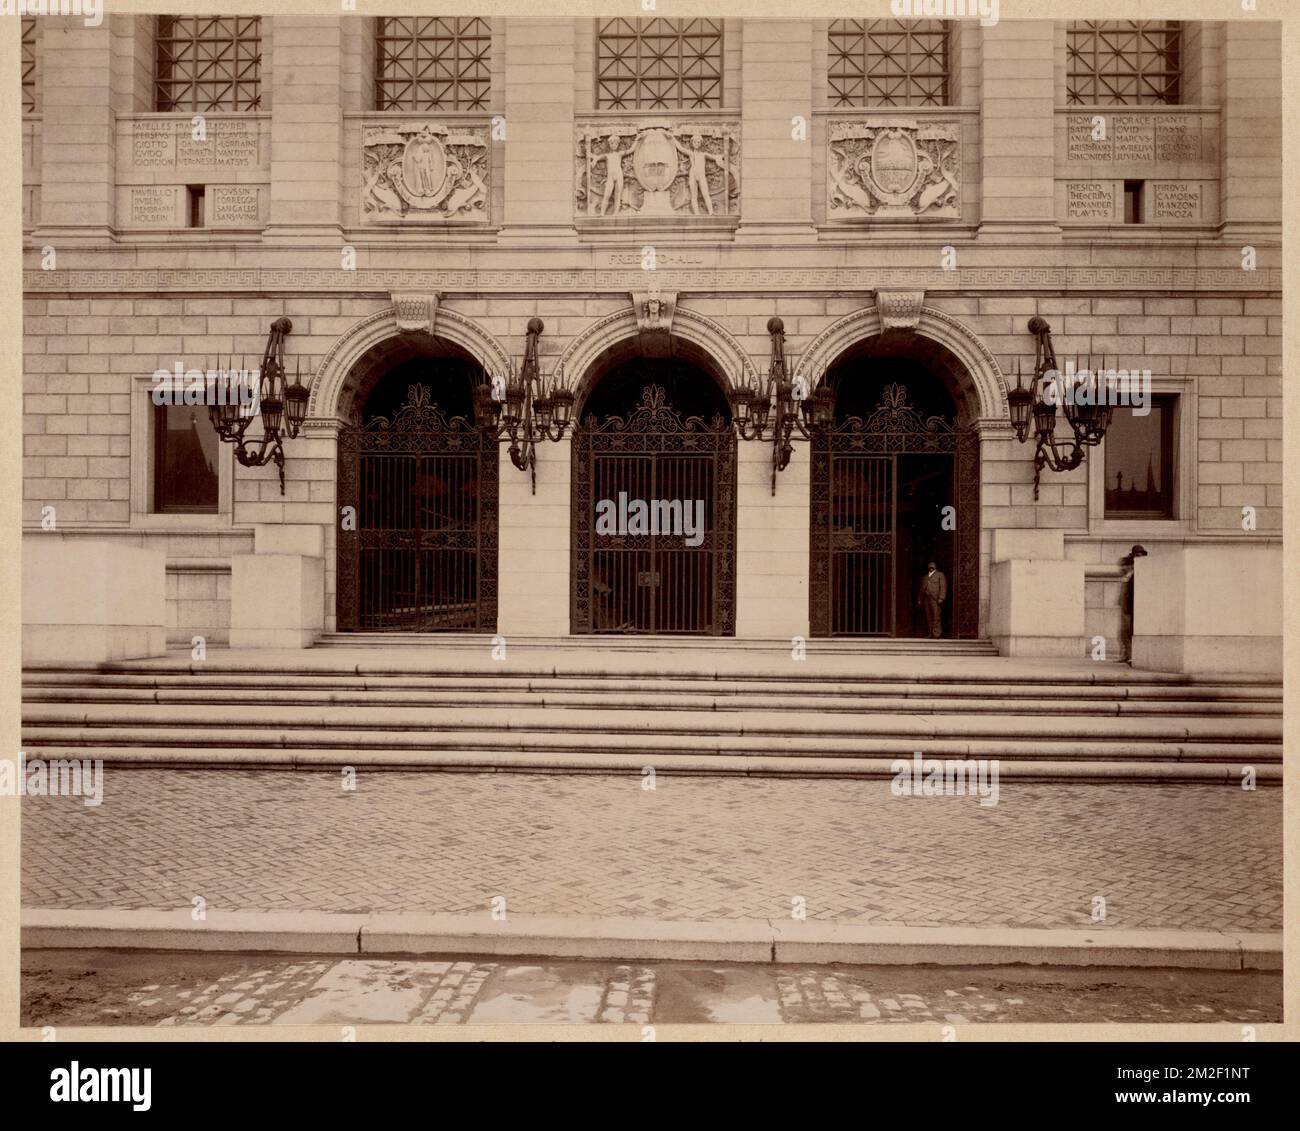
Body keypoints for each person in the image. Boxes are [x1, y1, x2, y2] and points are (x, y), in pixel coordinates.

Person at [917, 561, 947, 639]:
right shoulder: (925, 577)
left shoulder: (940, 575)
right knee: (929, 616)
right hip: (926, 599)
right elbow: (921, 589)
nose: (931, 568)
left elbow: (943, 586)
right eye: (930, 566)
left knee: (936, 616)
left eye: (932, 566)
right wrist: (920, 599)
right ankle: (930, 633)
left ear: (935, 567)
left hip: (935, 599)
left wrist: (941, 597)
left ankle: (936, 634)